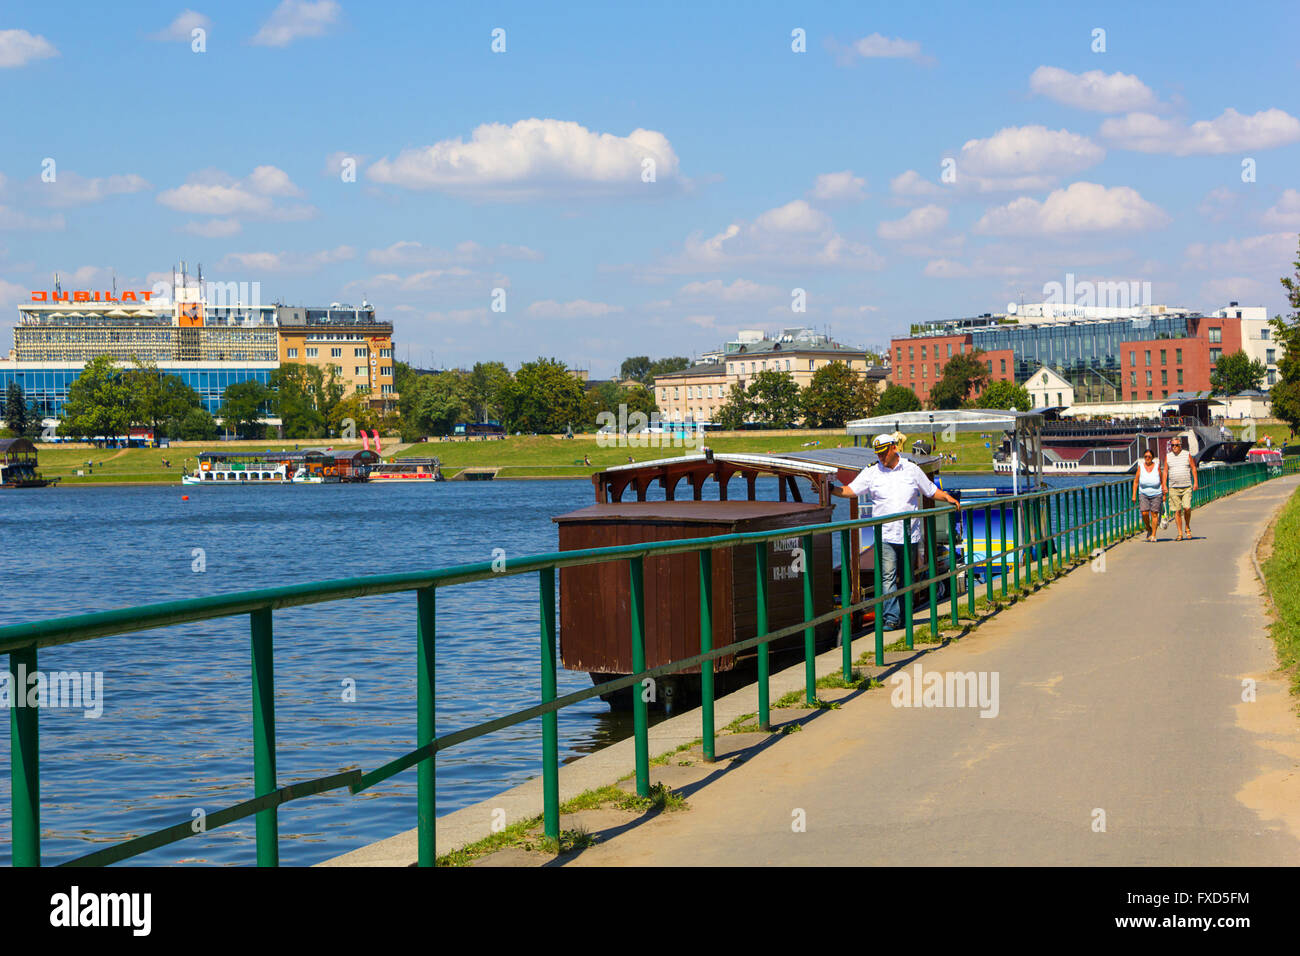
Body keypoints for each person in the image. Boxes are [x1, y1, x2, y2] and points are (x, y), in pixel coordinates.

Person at [832, 433, 962, 630]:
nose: (881, 457)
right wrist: (831, 489)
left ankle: (904, 615)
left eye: (884, 453)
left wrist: (948, 498)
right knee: (888, 577)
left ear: (894, 448)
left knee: (907, 577)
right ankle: (891, 618)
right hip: (885, 535)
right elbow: (851, 490)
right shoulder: (872, 472)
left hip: (909, 535)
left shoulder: (911, 469)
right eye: (878, 454)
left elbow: (930, 490)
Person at [1162, 435, 1198, 540]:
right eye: (1172, 445)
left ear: (1180, 445)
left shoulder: (1187, 454)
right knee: (1177, 511)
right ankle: (1180, 533)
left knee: (1187, 507)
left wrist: (1195, 482)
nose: (1174, 447)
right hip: (1173, 487)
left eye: (1176, 445)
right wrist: (1164, 484)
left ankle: (1187, 526)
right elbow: (1165, 471)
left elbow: (1193, 467)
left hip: (1186, 486)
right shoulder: (1168, 456)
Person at [1131, 448, 1165, 542]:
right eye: (1145, 456)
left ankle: (1153, 535)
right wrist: (1134, 495)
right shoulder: (1140, 467)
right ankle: (1148, 528)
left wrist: (1164, 492)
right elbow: (1136, 482)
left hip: (1156, 493)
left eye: (1149, 456)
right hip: (1143, 494)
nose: (1147, 458)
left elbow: (1161, 480)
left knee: (1154, 514)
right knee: (1144, 513)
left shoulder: (1157, 466)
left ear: (1152, 457)